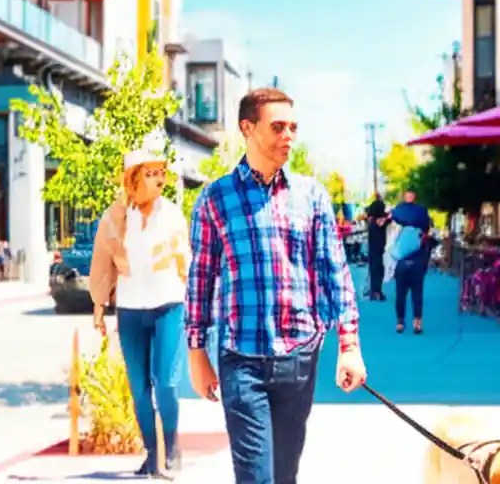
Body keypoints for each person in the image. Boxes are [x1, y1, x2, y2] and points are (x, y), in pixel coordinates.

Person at [185, 87, 366, 484]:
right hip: (240, 357)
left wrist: (349, 346)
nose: (289, 136)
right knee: (256, 479)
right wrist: (196, 352)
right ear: (247, 128)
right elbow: (200, 279)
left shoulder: (312, 196)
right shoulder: (215, 199)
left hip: (300, 356)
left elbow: (336, 271)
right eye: (278, 126)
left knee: (284, 476)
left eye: (293, 127)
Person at [89, 144, 190, 478]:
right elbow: (102, 262)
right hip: (131, 310)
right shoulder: (114, 218)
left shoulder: (172, 213)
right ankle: (151, 454)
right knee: (139, 388)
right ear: (132, 179)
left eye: (162, 173)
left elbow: (186, 260)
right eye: (150, 174)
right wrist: (99, 304)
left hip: (169, 305)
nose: (159, 180)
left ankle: (172, 447)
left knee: (167, 384)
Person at [389, 190, 431, 334]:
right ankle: (417, 322)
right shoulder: (421, 212)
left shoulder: (396, 212)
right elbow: (426, 229)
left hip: (401, 259)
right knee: (416, 292)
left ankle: (400, 321)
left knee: (401, 292)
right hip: (417, 257)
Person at [364, 193, 390, 300]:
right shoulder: (379, 221)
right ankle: (376, 291)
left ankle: (374, 291)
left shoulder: (371, 221)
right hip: (378, 248)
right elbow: (387, 219)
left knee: (374, 269)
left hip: (372, 248)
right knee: (378, 270)